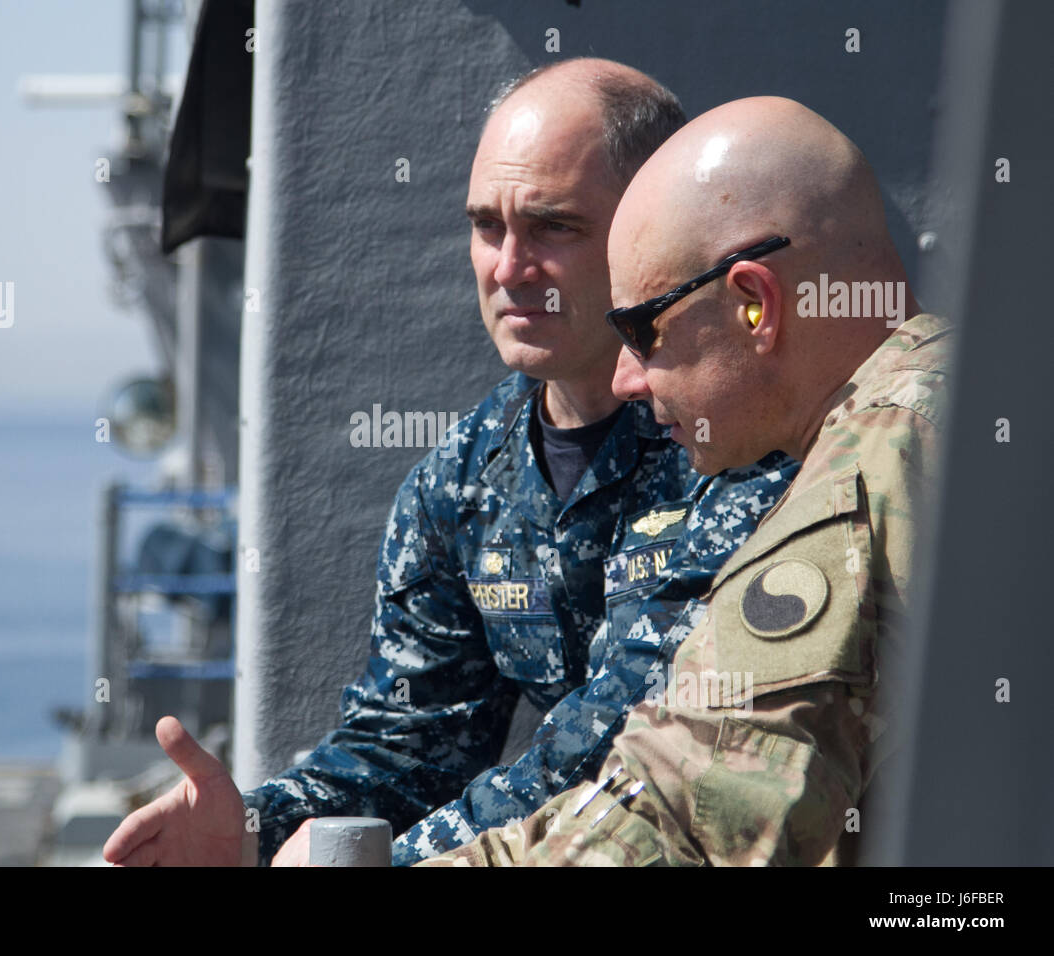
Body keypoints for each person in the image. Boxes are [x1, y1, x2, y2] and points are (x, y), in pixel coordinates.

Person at [103, 60, 796, 868]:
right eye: (487, 226)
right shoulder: (463, 480)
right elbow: (410, 739)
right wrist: (254, 830)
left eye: (554, 227)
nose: (508, 268)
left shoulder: (737, 443)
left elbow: (620, 743)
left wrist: (388, 865)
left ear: (650, 223)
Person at [418, 95, 949, 867]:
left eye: (642, 331)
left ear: (756, 306)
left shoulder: (873, 471)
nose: (627, 378)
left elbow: (689, 818)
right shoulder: (959, 405)